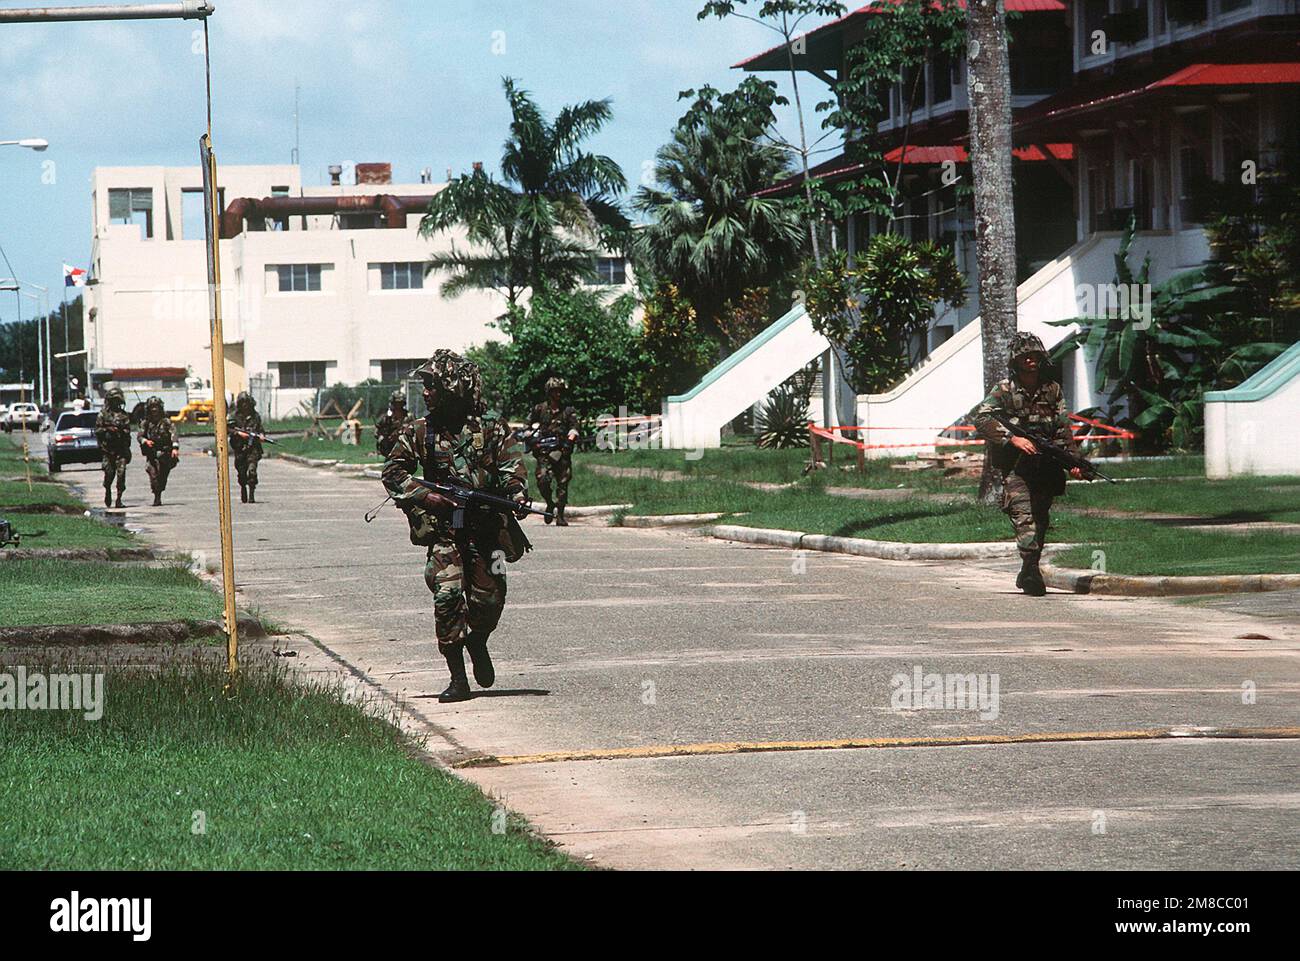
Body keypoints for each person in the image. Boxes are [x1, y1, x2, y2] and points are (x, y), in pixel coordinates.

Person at [381, 350, 532, 703]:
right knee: (447, 598)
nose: (426, 392)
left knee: (490, 599)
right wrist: (425, 497)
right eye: (425, 386)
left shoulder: (491, 426)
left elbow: (513, 469)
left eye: (432, 385)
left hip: (486, 531)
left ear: (453, 386)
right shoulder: (420, 430)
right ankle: (458, 679)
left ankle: (477, 641)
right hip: (446, 532)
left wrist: (518, 495)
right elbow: (392, 472)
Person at [972, 332, 1084, 596]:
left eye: (1035, 355)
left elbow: (1062, 428)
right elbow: (980, 418)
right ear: (1016, 361)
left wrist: (1073, 462)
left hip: (1046, 466)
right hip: (1016, 467)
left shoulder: (1052, 389)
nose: (1031, 360)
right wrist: (1012, 439)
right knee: (1024, 517)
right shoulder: (1004, 390)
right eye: (1025, 356)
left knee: (1041, 518)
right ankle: (1032, 572)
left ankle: (1028, 568)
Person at [525, 376, 580, 526]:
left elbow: (574, 428)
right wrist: (532, 440)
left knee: (563, 483)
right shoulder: (539, 409)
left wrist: (569, 441)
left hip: (562, 451)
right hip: (543, 452)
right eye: (555, 391)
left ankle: (560, 515)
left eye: (560, 391)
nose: (558, 394)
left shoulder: (568, 411)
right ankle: (549, 503)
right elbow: (526, 427)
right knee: (542, 480)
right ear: (549, 392)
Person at [137, 396, 180, 507]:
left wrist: (175, 448)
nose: (154, 410)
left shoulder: (166, 422)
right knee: (153, 474)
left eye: (156, 407)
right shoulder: (145, 423)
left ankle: (159, 492)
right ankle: (157, 496)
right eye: (152, 407)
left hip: (165, 454)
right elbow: (140, 436)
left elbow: (174, 434)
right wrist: (145, 441)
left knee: (162, 476)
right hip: (152, 453)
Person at [94, 387, 132, 508]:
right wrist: (108, 429)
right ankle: (108, 491)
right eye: (113, 400)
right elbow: (97, 430)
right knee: (109, 474)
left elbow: (127, 431)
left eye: (117, 400)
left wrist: (120, 431)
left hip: (120, 450)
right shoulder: (103, 414)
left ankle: (119, 499)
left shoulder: (124, 416)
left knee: (121, 474)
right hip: (107, 451)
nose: (116, 403)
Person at [228, 391, 264, 504]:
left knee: (252, 471)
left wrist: (262, 435)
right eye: (243, 403)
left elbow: (260, 429)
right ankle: (243, 488)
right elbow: (227, 429)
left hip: (252, 447)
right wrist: (238, 433)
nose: (245, 405)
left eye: (247, 403)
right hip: (240, 448)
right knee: (242, 472)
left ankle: (252, 494)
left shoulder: (255, 416)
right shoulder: (234, 416)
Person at [373, 389, 413, 458]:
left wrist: (401, 432)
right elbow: (377, 431)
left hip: (406, 446)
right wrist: (384, 435)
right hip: (390, 447)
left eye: (400, 403)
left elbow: (415, 432)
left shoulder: (409, 416)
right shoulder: (387, 418)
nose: (398, 406)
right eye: (396, 403)